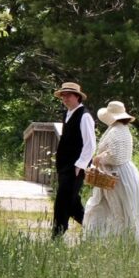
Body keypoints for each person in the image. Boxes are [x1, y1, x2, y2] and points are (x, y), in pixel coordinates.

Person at [82, 101, 139, 248]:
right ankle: (109, 241)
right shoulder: (122, 129)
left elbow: (115, 156)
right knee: (117, 208)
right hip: (124, 172)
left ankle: (118, 244)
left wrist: (99, 158)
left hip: (117, 174)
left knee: (117, 210)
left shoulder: (116, 131)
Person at [51, 80, 95, 238]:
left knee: (62, 201)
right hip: (64, 166)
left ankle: (56, 235)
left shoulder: (84, 116)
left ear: (77, 97)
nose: (65, 98)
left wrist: (81, 165)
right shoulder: (67, 114)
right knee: (72, 202)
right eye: (63, 95)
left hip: (75, 167)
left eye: (68, 95)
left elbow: (90, 144)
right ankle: (93, 229)